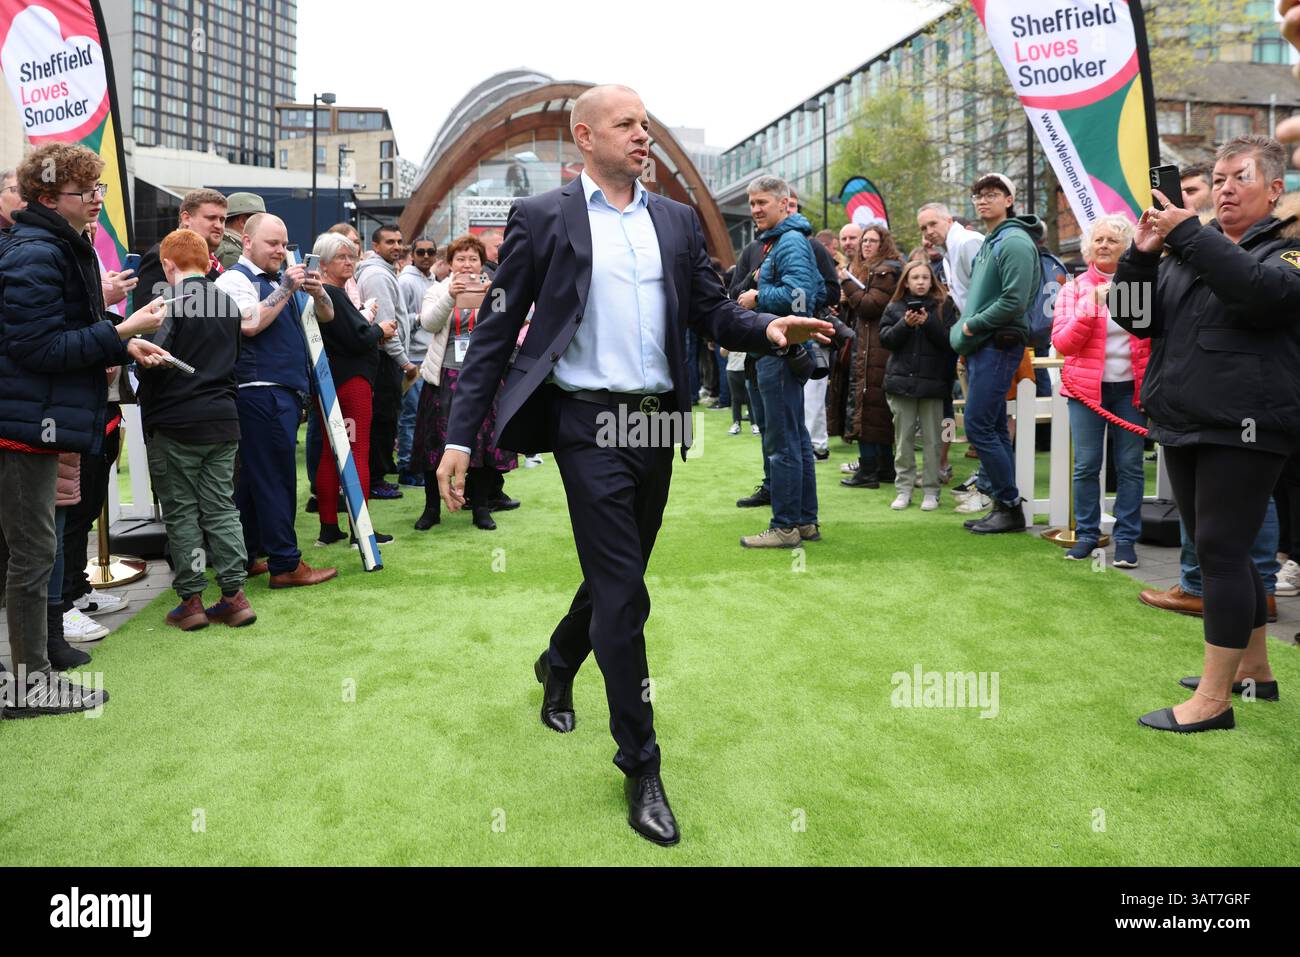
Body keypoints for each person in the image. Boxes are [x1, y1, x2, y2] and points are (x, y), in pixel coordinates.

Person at [434, 85, 831, 845]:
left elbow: (712, 313)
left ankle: (558, 659)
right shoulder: (543, 218)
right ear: (585, 136)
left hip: (657, 424)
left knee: (619, 580)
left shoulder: (677, 221)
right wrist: (459, 437)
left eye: (647, 124)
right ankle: (641, 762)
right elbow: (494, 333)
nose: (643, 135)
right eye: (627, 124)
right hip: (587, 423)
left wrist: (769, 325)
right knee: (626, 593)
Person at [1111, 135, 1300, 733]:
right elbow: (1135, 318)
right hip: (1185, 421)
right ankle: (1254, 671)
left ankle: (1214, 702)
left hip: (1245, 426)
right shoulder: (1193, 250)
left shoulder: (1286, 251)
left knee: (1218, 553)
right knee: (1229, 551)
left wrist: (1186, 233)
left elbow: (1263, 296)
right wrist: (1142, 254)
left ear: (1274, 189)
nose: (1222, 189)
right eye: (1216, 179)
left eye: (1237, 178)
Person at [0, 142, 170, 716]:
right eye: (87, 191)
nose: (98, 199)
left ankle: (29, 675)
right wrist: (122, 333)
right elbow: (38, 347)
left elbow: (57, 334)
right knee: (32, 555)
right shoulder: (35, 252)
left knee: (28, 554)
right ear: (49, 197)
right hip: (20, 427)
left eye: (98, 188)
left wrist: (124, 334)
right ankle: (28, 685)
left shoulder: (49, 245)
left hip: (30, 421)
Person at [136, 228, 256, 629]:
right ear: (207, 262)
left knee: (183, 512)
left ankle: (191, 601)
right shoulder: (227, 302)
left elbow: (152, 361)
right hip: (222, 418)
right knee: (222, 508)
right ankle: (234, 596)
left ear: (167, 265)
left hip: (176, 421)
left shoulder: (168, 302)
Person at [214, 212, 338, 589]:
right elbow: (248, 324)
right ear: (247, 242)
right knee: (277, 478)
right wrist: (285, 288)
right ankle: (285, 563)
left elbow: (327, 317)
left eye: (284, 243)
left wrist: (317, 292)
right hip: (259, 390)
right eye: (273, 243)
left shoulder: (284, 279)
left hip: (279, 391)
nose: (281, 250)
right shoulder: (233, 278)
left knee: (255, 481)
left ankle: (249, 556)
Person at [1051, 215, 1150, 567]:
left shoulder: (1138, 286)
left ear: (1126, 248)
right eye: (1098, 240)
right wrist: (1090, 305)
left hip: (1129, 391)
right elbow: (1063, 342)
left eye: (1112, 240)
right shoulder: (1073, 289)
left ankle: (1126, 540)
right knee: (1087, 465)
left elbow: (1149, 341)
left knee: (1130, 467)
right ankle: (1088, 536)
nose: (1104, 245)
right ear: (1088, 247)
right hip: (1085, 391)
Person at [948, 173, 1041, 534]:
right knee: (994, 426)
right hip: (984, 343)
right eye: (978, 195)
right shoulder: (993, 240)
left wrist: (971, 327)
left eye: (991, 194)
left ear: (1009, 199)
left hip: (998, 341)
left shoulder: (1014, 241)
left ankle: (1009, 504)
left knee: (978, 425)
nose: (983, 200)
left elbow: (1014, 301)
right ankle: (1005, 505)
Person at [735, 175, 823, 547]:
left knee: (783, 441)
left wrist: (758, 296)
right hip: (780, 352)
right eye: (752, 203)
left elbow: (802, 295)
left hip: (780, 351)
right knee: (795, 439)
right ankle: (803, 522)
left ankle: (785, 527)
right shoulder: (784, 241)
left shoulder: (788, 242)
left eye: (762, 203)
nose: (755, 210)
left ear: (785, 204)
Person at [412, 234, 516, 531]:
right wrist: (450, 296)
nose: (467, 265)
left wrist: (491, 298)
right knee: (436, 446)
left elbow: (517, 321)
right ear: (450, 263)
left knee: (480, 446)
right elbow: (429, 324)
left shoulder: (494, 289)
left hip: (482, 379)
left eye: (473, 259)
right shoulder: (437, 290)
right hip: (444, 376)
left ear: (482, 263)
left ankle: (481, 507)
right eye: (461, 259)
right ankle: (432, 508)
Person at [312, 231, 398, 547]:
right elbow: (358, 337)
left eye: (351, 256)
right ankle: (360, 531)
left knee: (329, 452)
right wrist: (380, 329)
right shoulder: (333, 294)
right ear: (322, 263)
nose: (349, 262)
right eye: (341, 257)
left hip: (329, 381)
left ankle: (328, 528)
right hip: (352, 383)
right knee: (355, 452)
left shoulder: (325, 294)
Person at [878, 259, 957, 511]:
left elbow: (949, 342)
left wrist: (928, 322)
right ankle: (904, 489)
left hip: (934, 384)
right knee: (903, 441)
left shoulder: (944, 306)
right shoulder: (893, 307)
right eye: (915, 278)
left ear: (932, 281)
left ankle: (931, 491)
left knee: (934, 441)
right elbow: (886, 340)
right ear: (907, 282)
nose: (921, 282)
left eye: (925, 277)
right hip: (901, 383)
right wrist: (906, 324)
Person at [839, 225, 902, 489]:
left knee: (867, 405)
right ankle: (884, 467)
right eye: (864, 240)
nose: (866, 245)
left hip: (875, 346)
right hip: (872, 344)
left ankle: (868, 470)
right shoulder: (882, 268)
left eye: (872, 241)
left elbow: (869, 305)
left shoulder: (885, 270)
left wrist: (846, 284)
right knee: (876, 408)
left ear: (883, 243)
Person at [355, 224, 416, 499]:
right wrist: (405, 362)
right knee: (382, 419)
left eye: (399, 241)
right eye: (389, 241)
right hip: (383, 359)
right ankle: (375, 479)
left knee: (385, 419)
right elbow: (386, 325)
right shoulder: (378, 274)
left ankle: (377, 475)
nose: (396, 246)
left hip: (384, 357)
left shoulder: (383, 271)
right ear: (376, 246)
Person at [133, 189, 228, 310]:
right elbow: (148, 313)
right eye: (211, 218)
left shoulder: (215, 260)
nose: (219, 225)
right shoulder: (162, 255)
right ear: (186, 218)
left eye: (222, 220)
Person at [396, 238, 439, 487]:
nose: (425, 255)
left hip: (430, 355)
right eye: (420, 252)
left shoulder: (434, 281)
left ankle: (420, 464)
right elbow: (400, 319)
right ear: (412, 254)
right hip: (412, 356)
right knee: (411, 415)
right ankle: (407, 467)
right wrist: (424, 318)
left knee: (427, 416)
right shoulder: (406, 281)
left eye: (430, 252)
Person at [215, 192, 266, 270]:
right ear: (243, 221)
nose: (263, 226)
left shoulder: (226, 246)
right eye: (259, 221)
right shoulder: (231, 254)